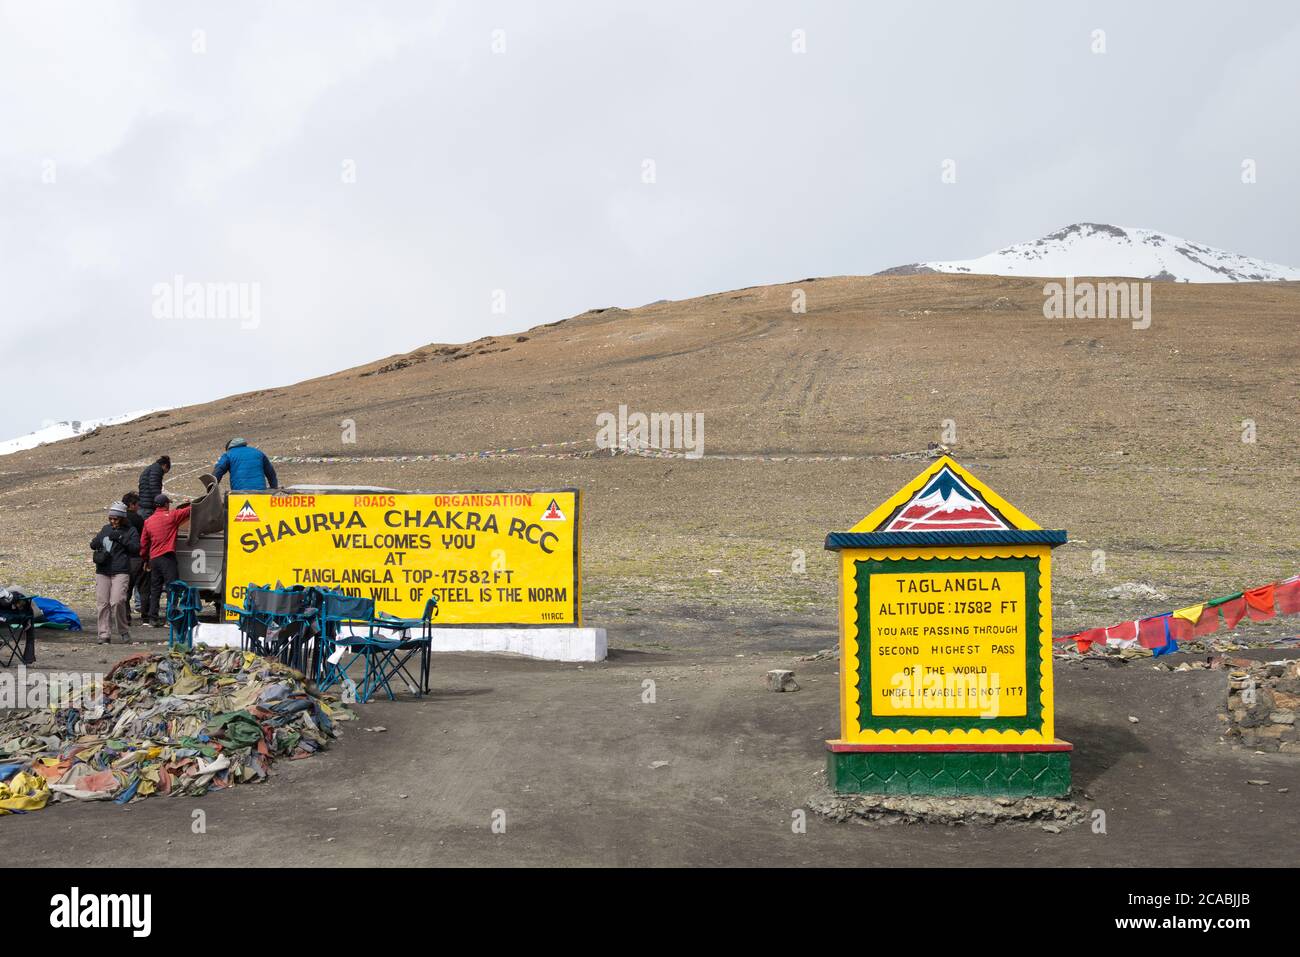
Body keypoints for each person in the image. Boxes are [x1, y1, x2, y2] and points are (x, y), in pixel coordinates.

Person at [139, 492, 191, 627]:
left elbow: (144, 544)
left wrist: (145, 560)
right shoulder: (172, 516)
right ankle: (171, 618)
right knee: (172, 588)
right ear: (166, 504)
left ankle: (153, 618)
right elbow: (190, 510)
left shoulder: (148, 521)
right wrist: (191, 502)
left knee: (155, 589)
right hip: (167, 557)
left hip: (154, 559)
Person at [91, 501, 140, 644]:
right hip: (103, 570)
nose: (113, 521)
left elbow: (136, 548)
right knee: (103, 603)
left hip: (121, 570)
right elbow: (94, 542)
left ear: (123, 518)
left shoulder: (130, 531)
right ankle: (104, 634)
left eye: (116, 519)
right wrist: (95, 543)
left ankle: (123, 630)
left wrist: (120, 538)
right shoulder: (105, 529)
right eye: (110, 518)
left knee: (117, 601)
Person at [213, 438, 277, 491]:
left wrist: (211, 488)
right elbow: (271, 473)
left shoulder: (228, 454)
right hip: (260, 492)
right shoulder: (258, 453)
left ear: (229, 448)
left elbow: (218, 471)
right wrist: (274, 487)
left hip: (239, 493)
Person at [122, 491, 147, 619]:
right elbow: (144, 537)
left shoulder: (119, 519)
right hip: (137, 557)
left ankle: (126, 617)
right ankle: (146, 616)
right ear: (132, 505)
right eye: (137, 505)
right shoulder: (138, 519)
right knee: (143, 587)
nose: (138, 507)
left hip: (123, 558)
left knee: (126, 589)